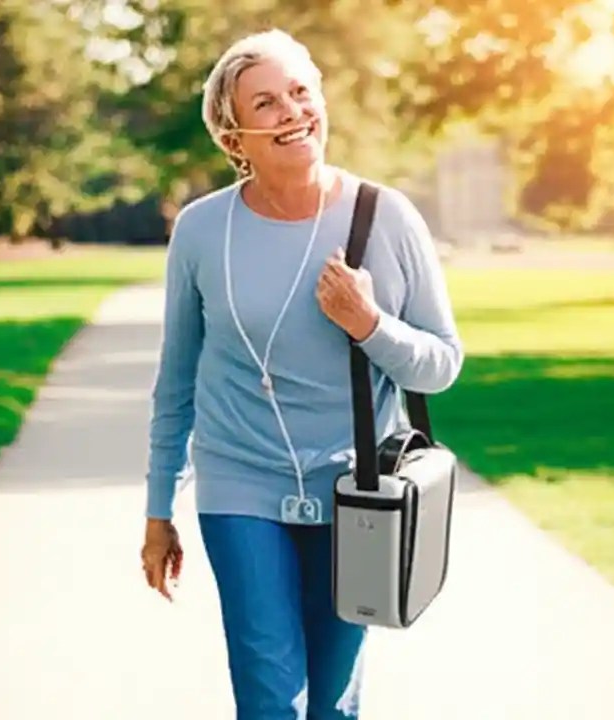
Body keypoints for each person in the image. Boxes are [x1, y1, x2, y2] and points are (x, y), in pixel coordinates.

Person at [140, 28, 463, 719]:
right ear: (233, 136)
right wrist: (159, 507)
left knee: (333, 701)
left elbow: (441, 364)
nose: (292, 111)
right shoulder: (200, 232)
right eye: (266, 103)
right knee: (267, 696)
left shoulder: (387, 219)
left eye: (300, 92)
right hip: (239, 485)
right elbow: (176, 381)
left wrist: (369, 324)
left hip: (357, 492)